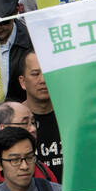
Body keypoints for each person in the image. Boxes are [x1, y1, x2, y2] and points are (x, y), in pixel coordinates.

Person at [19, 50, 63, 180]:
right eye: (35, 74)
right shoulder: (13, 120)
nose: (43, 80)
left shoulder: (71, 115)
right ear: (22, 82)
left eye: (48, 73)